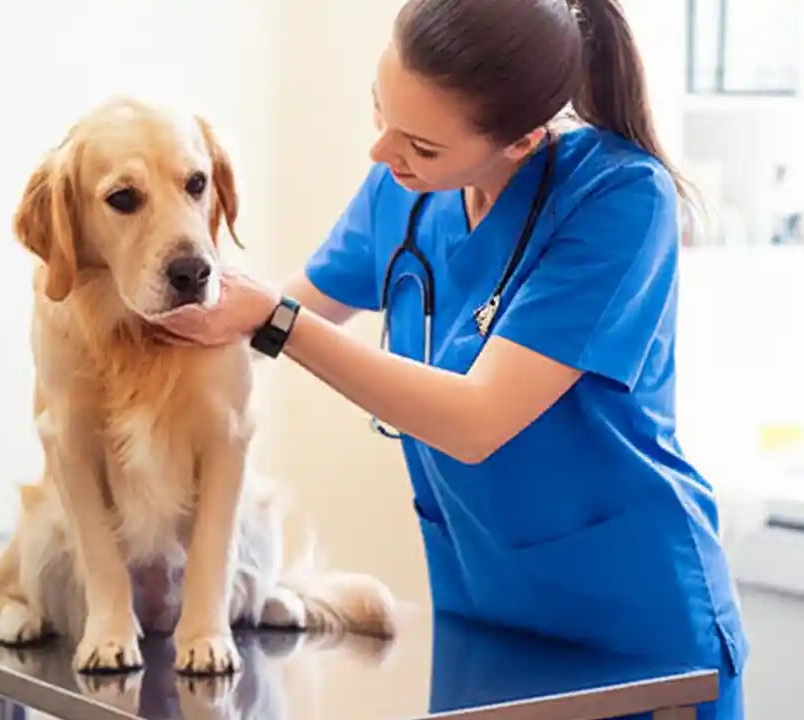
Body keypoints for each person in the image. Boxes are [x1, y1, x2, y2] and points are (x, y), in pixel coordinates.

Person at [153, 0, 748, 717]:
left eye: (421, 144)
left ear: (523, 140)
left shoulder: (618, 198)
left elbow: (475, 419)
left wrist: (279, 322)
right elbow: (270, 309)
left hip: (636, 634)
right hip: (488, 617)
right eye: (381, 114)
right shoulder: (405, 187)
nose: (383, 154)